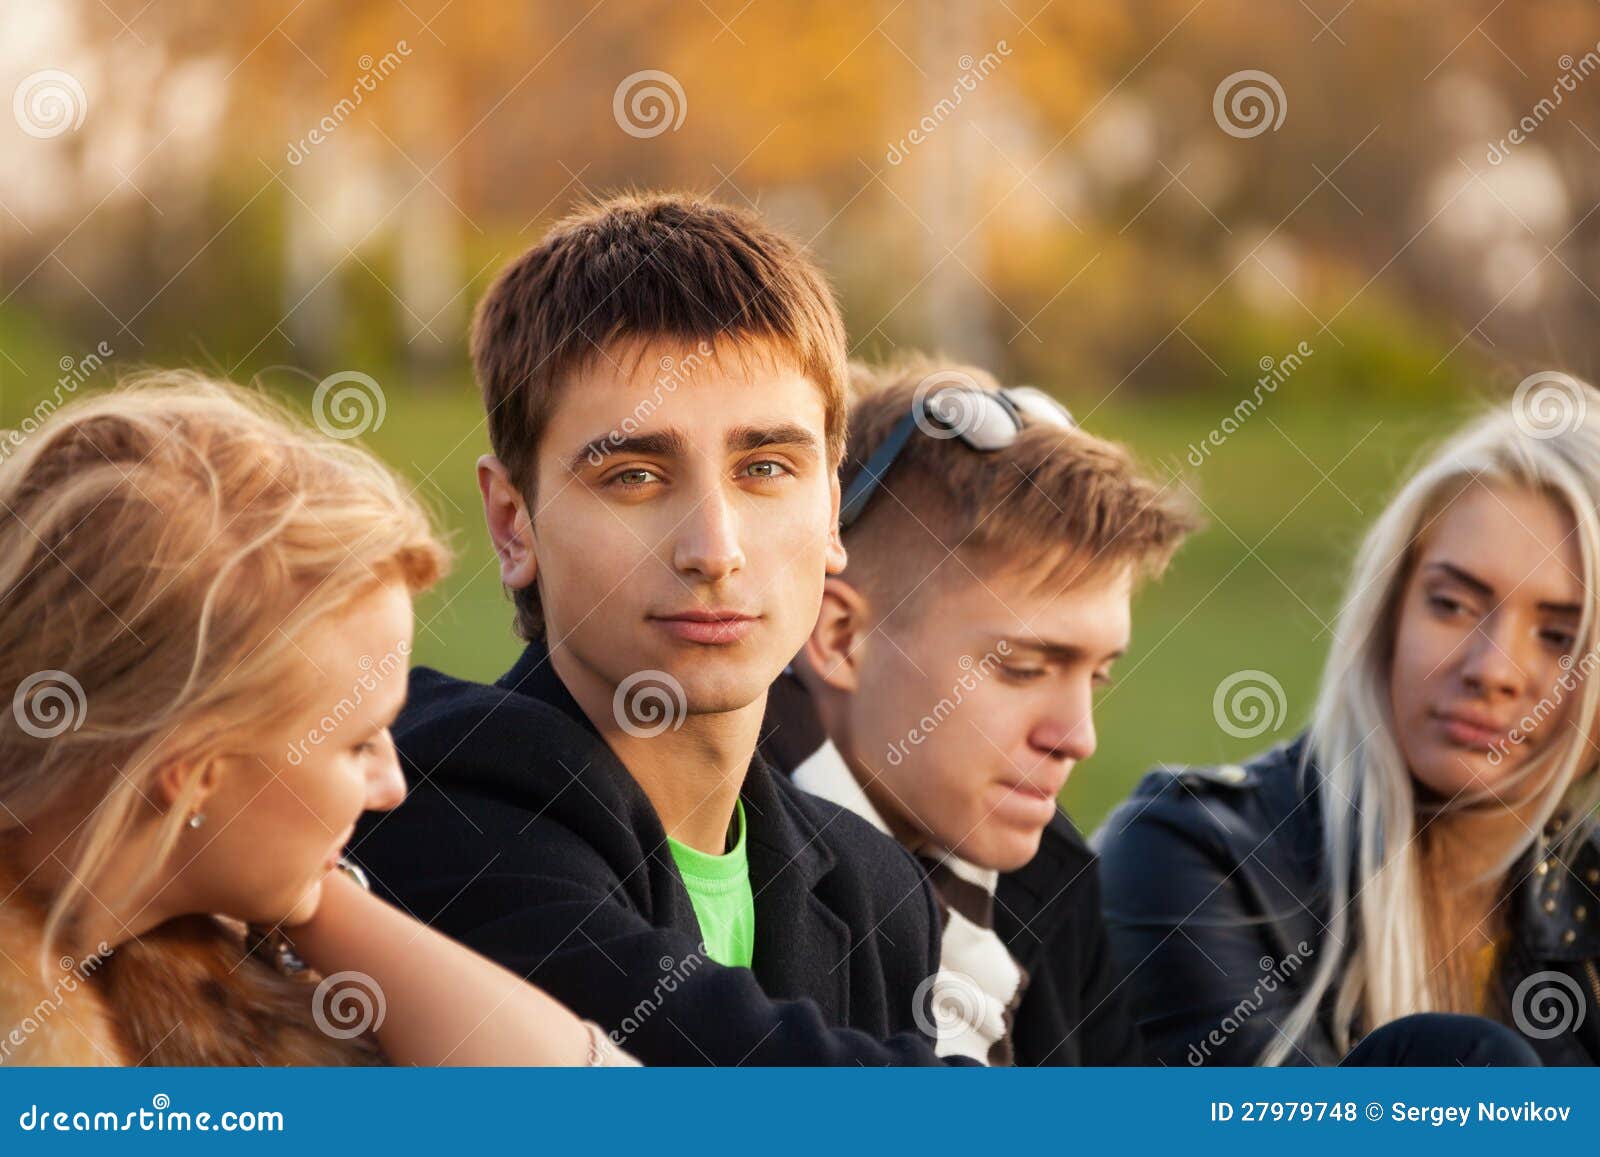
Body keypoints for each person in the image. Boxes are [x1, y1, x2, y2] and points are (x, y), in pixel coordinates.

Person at [352, 192, 969, 1065]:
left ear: (832, 510)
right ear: (512, 522)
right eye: (636, 475)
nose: (714, 549)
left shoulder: (877, 889)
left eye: (765, 468)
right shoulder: (443, 799)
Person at [0, 373, 634, 1066]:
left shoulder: (176, 915)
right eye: (359, 742)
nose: (392, 784)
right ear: (190, 772)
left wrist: (312, 895)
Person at [1097, 373, 1600, 1066]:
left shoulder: (1584, 901)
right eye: (1452, 604)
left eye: (1560, 636)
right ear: (1388, 610)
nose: (1493, 668)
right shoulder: (1197, 856)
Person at [759, 356, 1195, 1064]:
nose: (1077, 736)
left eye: (1099, 675)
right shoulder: (711, 859)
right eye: (1023, 668)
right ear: (838, 637)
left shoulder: (1051, 877)